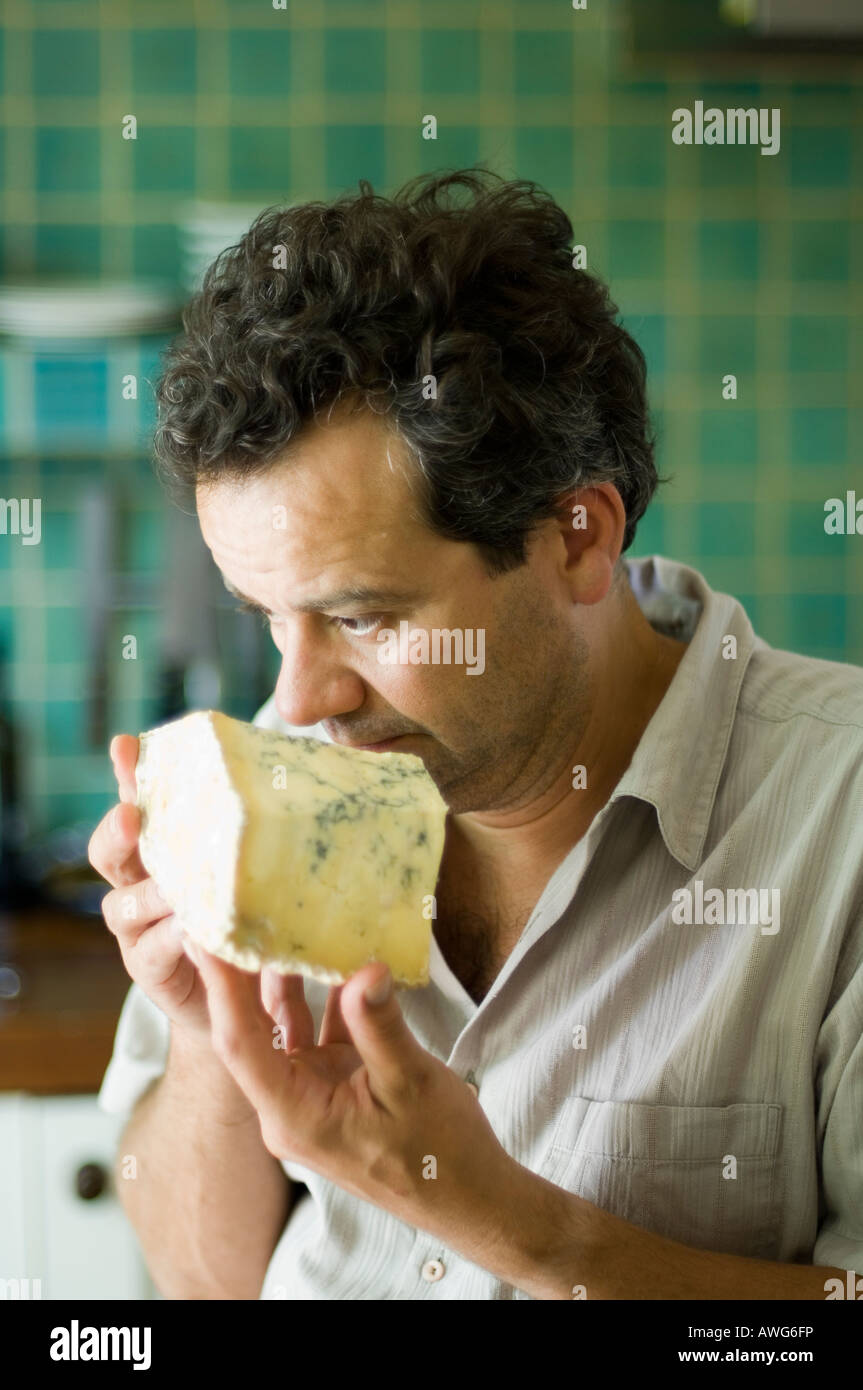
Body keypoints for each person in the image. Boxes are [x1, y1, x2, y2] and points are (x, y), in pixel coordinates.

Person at [89, 168, 863, 1301]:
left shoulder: (836, 819)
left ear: (575, 537)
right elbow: (206, 1282)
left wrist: (501, 1220)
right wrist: (214, 1030)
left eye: (361, 616)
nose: (298, 698)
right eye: (269, 619)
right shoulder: (286, 770)